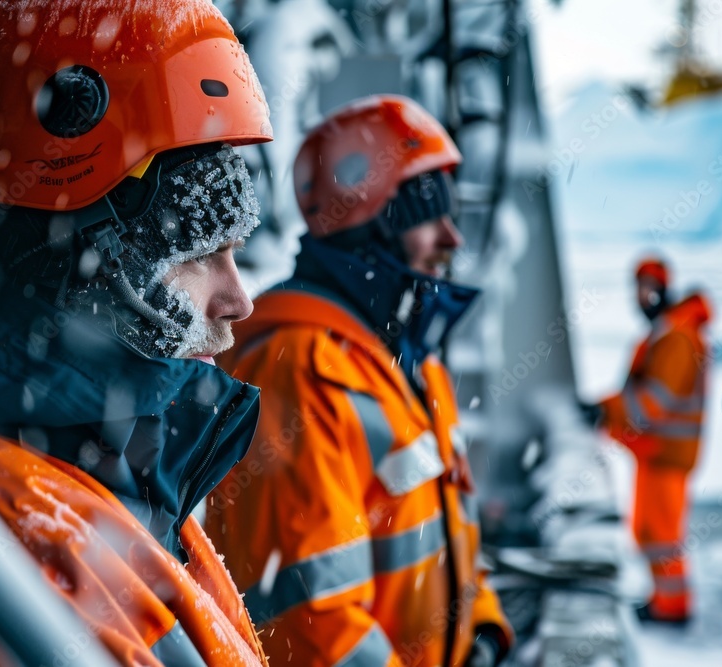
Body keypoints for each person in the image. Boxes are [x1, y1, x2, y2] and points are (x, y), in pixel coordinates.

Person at [0, 0, 274, 663]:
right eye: (197, 256)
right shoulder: (19, 537)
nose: (239, 300)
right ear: (85, 265)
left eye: (237, 252)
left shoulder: (120, 474)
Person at [204, 95, 513, 667]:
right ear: (370, 221)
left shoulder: (410, 364)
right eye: (429, 212)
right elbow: (313, 626)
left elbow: (449, 526)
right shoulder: (300, 369)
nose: (453, 238)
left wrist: (482, 631)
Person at [592, 257, 711, 625]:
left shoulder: (677, 337)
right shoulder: (666, 333)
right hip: (654, 452)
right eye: (638, 288)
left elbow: (651, 406)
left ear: (663, 289)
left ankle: (674, 608)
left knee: (663, 535)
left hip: (667, 454)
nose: (641, 296)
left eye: (648, 287)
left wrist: (605, 411)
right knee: (647, 531)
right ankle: (663, 600)